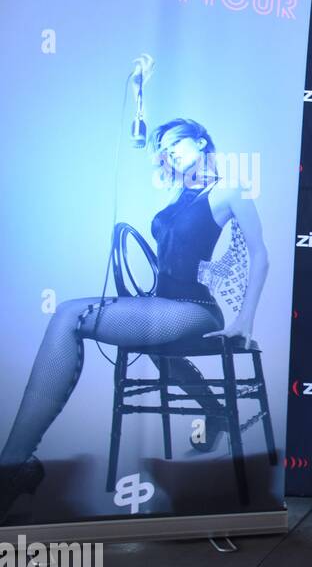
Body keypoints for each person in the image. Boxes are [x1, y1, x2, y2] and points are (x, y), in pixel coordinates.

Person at [0, 119, 270, 522]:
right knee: (83, 318)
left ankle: (12, 466)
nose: (171, 151)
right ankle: (215, 413)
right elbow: (141, 139)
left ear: (201, 141)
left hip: (193, 309)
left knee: (69, 313)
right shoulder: (177, 193)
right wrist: (140, 89)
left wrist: (245, 320)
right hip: (160, 305)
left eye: (178, 142)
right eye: (165, 147)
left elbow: (261, 254)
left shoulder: (227, 190)